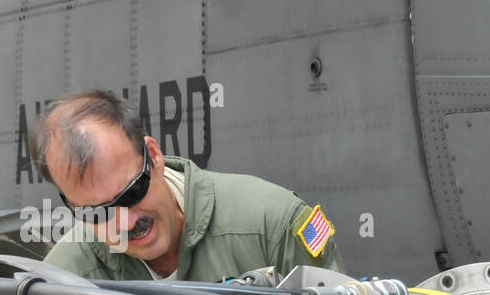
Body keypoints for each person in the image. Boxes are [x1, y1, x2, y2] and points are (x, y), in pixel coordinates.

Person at [30, 90, 341, 281]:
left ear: (153, 156)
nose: (124, 223)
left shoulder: (272, 227)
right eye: (96, 213)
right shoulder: (64, 279)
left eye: (132, 192)